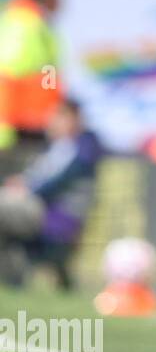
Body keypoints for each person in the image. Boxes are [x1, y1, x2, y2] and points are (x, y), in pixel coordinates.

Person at [0, 100, 101, 286]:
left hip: (50, 214)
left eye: (58, 117)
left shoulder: (81, 148)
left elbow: (52, 185)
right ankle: (11, 274)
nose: (51, 121)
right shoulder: (54, 147)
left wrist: (25, 188)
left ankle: (13, 276)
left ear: (73, 120)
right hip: (32, 207)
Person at [0, 0, 62, 160]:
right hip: (19, 124)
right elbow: (12, 72)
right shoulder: (26, 23)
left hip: (24, 122)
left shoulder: (21, 18)